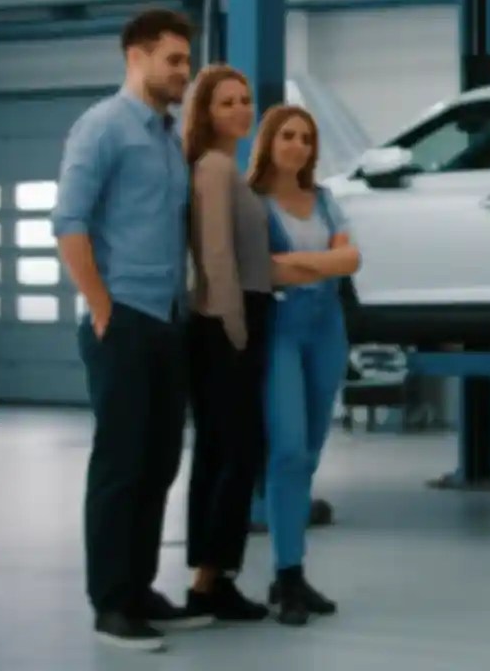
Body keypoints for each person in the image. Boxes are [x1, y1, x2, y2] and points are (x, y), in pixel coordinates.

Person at [51, 8, 214, 652]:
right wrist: (102, 306)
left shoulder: (167, 137)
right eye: (174, 60)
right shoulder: (102, 128)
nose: (184, 72)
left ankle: (140, 588)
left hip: (166, 322)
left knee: (158, 463)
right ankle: (109, 604)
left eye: (186, 60)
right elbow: (70, 223)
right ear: (137, 57)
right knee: (120, 466)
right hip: (123, 321)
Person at [249, 105, 360, 626]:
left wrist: (292, 266)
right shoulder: (254, 204)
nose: (297, 146)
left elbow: (351, 261)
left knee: (311, 452)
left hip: (327, 329)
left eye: (306, 138)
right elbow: (261, 273)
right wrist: (320, 265)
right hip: (282, 331)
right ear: (269, 141)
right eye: (288, 136)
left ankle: (291, 574)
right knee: (288, 449)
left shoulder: (326, 200)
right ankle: (284, 572)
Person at [180, 63, 271, 621]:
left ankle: (209, 581)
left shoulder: (228, 168)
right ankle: (210, 581)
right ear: (206, 112)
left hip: (232, 317)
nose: (241, 109)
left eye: (246, 99)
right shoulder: (214, 168)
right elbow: (215, 253)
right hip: (226, 321)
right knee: (235, 454)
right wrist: (235, 325)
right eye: (227, 102)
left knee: (223, 452)